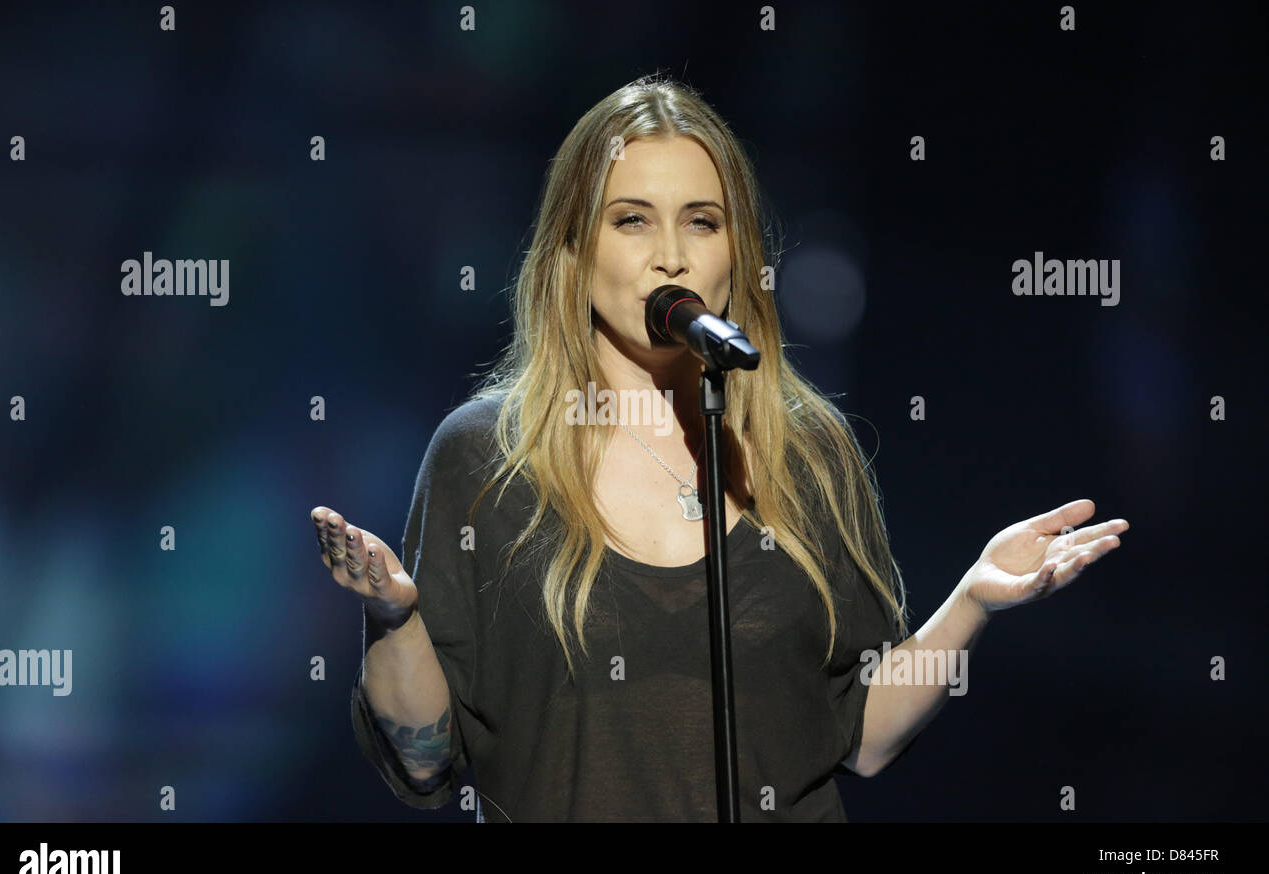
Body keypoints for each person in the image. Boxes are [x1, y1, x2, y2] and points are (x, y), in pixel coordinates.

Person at [311, 74, 1129, 822]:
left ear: (736, 253)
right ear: (573, 249)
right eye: (631, 219)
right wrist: (395, 618)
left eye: (701, 221)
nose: (672, 253)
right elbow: (424, 766)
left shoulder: (804, 452)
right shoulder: (488, 457)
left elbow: (861, 736)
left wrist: (973, 604)